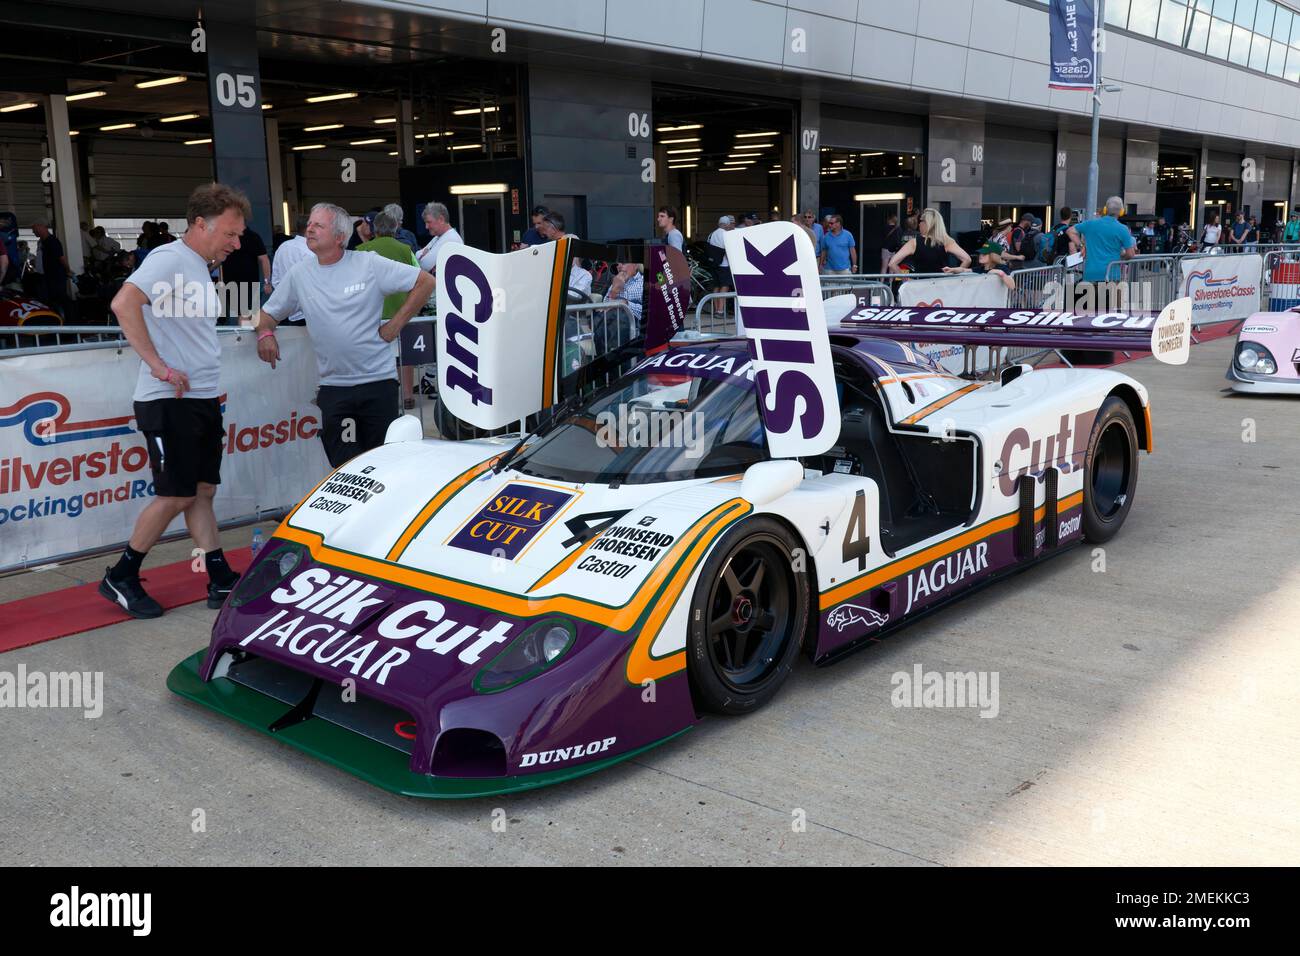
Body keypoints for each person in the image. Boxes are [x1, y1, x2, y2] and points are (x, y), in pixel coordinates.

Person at [99, 183, 251, 619]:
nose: (235, 243)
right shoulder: (169, 259)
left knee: (201, 491)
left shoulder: (200, 265)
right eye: (229, 233)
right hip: (168, 400)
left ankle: (219, 577)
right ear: (200, 224)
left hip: (199, 398)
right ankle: (121, 575)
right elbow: (123, 302)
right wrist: (159, 366)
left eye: (239, 235)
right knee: (175, 495)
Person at [255, 202, 435, 468]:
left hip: (377, 385)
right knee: (345, 468)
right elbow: (265, 314)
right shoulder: (300, 274)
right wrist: (264, 334)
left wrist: (395, 325)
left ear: (340, 237)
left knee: (382, 467)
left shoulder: (368, 263)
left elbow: (426, 282)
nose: (310, 229)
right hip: (335, 390)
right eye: (310, 224)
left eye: (319, 225)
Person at [360, 210, 423, 410]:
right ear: (396, 228)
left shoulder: (360, 250)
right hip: (402, 311)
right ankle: (407, 395)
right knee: (405, 358)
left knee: (373, 357)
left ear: (373, 229)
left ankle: (377, 396)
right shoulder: (406, 249)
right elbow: (418, 274)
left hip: (372, 313)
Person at [1068, 196, 1137, 284]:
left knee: (1091, 298)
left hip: (1090, 275)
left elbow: (1070, 231)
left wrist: (1081, 246)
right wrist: (1122, 256)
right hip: (1111, 275)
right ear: (1121, 211)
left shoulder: (1090, 224)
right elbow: (1130, 254)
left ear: (1105, 209)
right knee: (1112, 298)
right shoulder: (1123, 229)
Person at [888, 207, 970, 274]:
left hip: (920, 286)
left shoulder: (914, 242)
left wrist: (905, 280)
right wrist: (958, 272)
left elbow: (892, 263)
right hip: (941, 286)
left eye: (921, 221)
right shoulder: (946, 241)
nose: (919, 224)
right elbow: (967, 259)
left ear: (927, 223)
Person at [219, 224, 271, 324]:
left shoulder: (226, 237)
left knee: (242, 314)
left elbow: (219, 259)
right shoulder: (254, 236)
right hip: (250, 282)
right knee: (248, 314)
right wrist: (267, 282)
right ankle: (247, 337)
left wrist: (209, 268)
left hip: (232, 282)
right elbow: (264, 259)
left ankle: (245, 337)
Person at [270, 214, 312, 325]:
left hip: (285, 312)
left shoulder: (283, 247)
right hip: (307, 314)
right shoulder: (311, 253)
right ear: (310, 229)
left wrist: (285, 299)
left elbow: (275, 279)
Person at [32, 219, 70, 316]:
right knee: (48, 298)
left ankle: (66, 319)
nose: (33, 232)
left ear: (42, 228)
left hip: (55, 276)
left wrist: (68, 270)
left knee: (59, 298)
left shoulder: (52, 241)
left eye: (34, 229)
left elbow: (61, 257)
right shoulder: (42, 242)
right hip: (45, 275)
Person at [415, 202, 463, 275]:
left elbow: (424, 265)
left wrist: (423, 256)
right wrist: (422, 257)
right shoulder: (439, 236)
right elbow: (417, 255)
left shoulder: (451, 239)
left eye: (429, 222)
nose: (426, 227)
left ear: (441, 219)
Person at [706, 215, 734, 316]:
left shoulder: (712, 234)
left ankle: (716, 309)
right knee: (725, 286)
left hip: (713, 264)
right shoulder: (725, 234)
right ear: (727, 224)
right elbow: (728, 250)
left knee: (716, 286)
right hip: (724, 265)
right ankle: (720, 310)